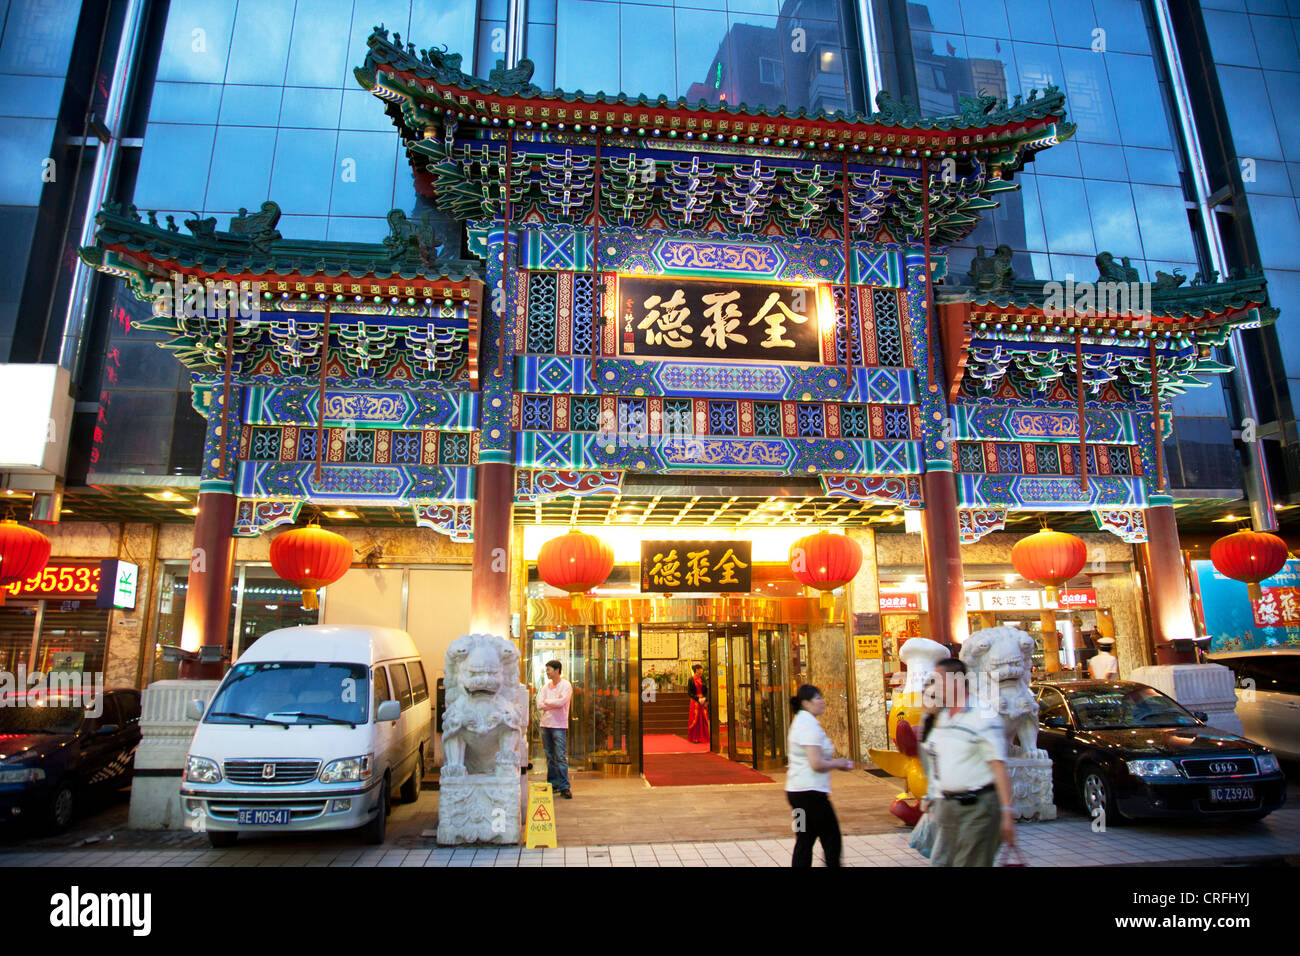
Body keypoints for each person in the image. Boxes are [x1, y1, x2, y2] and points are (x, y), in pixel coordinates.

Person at [918, 658, 1016, 867]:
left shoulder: (983, 716)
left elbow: (998, 767)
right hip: (947, 807)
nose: (935, 686)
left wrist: (1007, 813)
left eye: (939, 680)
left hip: (978, 807)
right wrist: (932, 796)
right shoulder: (942, 717)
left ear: (956, 682)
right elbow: (937, 762)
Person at [786, 684, 854, 867]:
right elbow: (816, 763)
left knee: (804, 838)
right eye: (818, 698)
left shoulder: (800, 722)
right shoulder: (808, 726)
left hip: (795, 791)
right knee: (831, 838)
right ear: (806, 703)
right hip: (811, 794)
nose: (822, 702)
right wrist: (838, 764)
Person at [537, 659, 573, 799]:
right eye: (546, 670)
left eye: (549, 670)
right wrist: (550, 703)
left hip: (559, 725)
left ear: (557, 670)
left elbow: (561, 702)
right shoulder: (546, 687)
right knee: (550, 757)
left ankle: (565, 787)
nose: (547, 672)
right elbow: (539, 705)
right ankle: (553, 784)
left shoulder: (566, 685)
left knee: (560, 757)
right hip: (545, 724)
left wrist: (548, 703)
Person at [686, 663, 709, 744]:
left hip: (703, 701)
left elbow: (706, 690)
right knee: (695, 719)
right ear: (697, 670)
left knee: (703, 719)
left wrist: (705, 699)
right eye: (700, 669)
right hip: (695, 701)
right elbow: (689, 692)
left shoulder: (703, 679)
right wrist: (698, 699)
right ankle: (694, 737)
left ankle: (704, 737)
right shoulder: (691, 679)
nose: (702, 671)